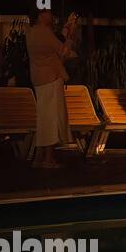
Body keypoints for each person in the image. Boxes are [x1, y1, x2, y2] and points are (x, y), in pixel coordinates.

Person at [26, 9, 76, 169]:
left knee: (43, 118)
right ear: (40, 15)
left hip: (39, 79)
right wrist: (71, 36)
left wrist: (65, 31)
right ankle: (48, 158)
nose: (51, 16)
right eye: (48, 13)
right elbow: (64, 51)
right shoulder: (44, 32)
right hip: (51, 78)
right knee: (51, 118)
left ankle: (39, 157)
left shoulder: (31, 32)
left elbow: (53, 43)